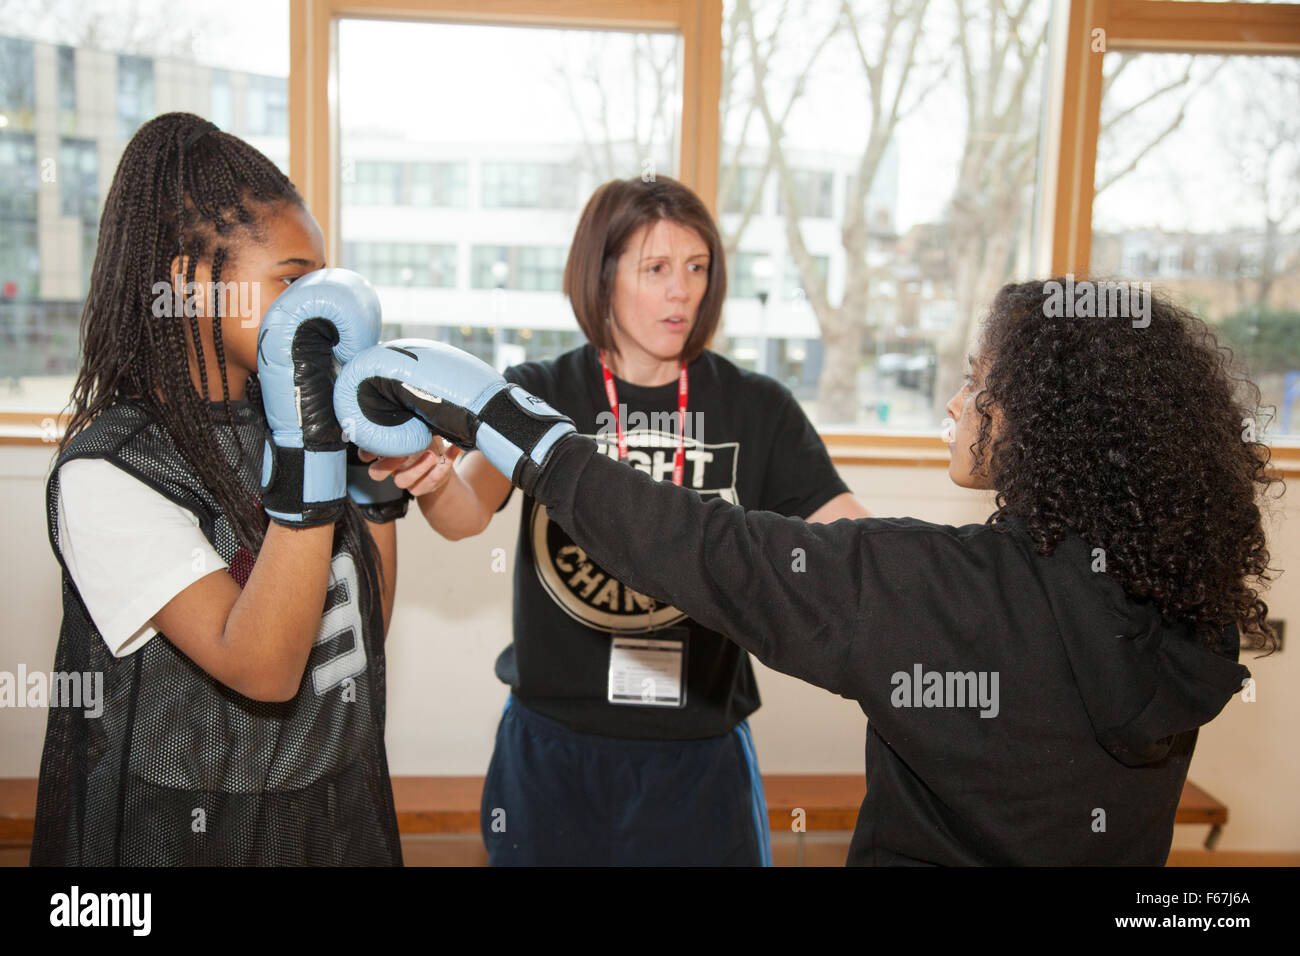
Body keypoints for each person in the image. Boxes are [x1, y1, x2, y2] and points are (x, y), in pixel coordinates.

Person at [338, 278, 1278, 865]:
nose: (953, 405)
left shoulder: (938, 594)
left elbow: (717, 553)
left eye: (976, 381)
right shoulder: (1178, 602)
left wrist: (514, 426)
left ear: (1041, 425)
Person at [362, 176, 868, 865]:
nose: (681, 292)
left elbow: (848, 537)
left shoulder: (757, 404)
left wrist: (926, 578)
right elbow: (466, 516)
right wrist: (435, 482)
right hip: (555, 740)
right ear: (601, 278)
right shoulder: (539, 391)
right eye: (655, 269)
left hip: (699, 747)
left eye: (696, 269)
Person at [32, 113, 408, 866]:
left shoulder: (284, 426)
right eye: (294, 282)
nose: (321, 309)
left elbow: (360, 633)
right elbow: (264, 667)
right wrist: (313, 452)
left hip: (328, 804)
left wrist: (377, 487)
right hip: (181, 832)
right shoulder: (109, 473)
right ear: (190, 282)